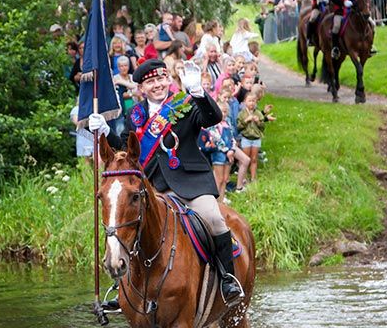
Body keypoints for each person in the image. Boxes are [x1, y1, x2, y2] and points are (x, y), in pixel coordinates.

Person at [88, 59, 245, 307]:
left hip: (190, 183)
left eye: (160, 79)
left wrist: (198, 93)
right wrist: (106, 131)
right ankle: (123, 288)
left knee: (214, 219)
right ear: (141, 88)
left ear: (168, 80)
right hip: (153, 187)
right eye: (150, 82)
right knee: (130, 225)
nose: (157, 85)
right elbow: (127, 150)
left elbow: (212, 118)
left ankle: (227, 279)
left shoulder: (184, 103)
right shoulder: (136, 114)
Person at [236, 85, 275, 183]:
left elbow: (262, 127)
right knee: (245, 159)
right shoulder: (242, 114)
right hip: (246, 138)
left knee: (254, 159)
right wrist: (246, 121)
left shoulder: (258, 113)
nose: (252, 103)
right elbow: (239, 127)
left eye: (254, 101)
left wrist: (258, 122)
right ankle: (243, 178)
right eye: (249, 101)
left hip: (256, 139)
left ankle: (253, 178)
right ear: (245, 102)